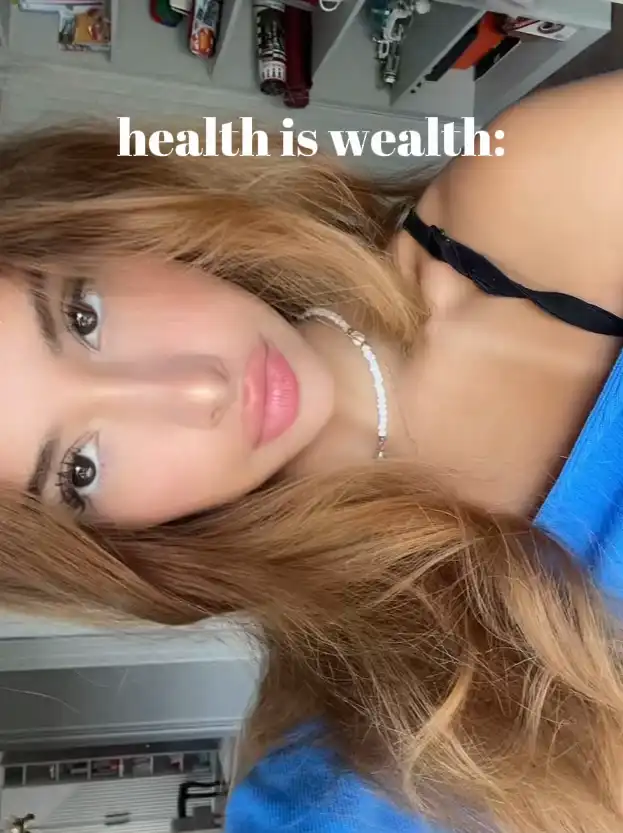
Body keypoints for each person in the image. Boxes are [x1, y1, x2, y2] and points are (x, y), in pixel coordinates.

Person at [1, 69, 623, 833]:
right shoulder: (342, 794)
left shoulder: (536, 189)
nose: (197, 389)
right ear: (109, 543)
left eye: (84, 316)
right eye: (81, 468)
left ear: (119, 230)